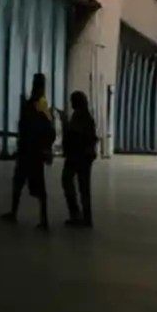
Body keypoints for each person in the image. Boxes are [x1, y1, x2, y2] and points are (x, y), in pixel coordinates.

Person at [1, 73, 56, 230]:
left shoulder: (37, 104)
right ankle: (42, 219)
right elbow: (48, 128)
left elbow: (39, 128)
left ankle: (19, 213)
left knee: (23, 182)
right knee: (31, 184)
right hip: (33, 151)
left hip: (30, 150)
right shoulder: (39, 104)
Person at [59, 90, 98, 228]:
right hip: (85, 156)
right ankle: (86, 217)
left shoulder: (78, 117)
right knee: (84, 188)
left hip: (77, 156)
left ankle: (75, 213)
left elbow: (73, 136)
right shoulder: (86, 116)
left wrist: (64, 123)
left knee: (67, 180)